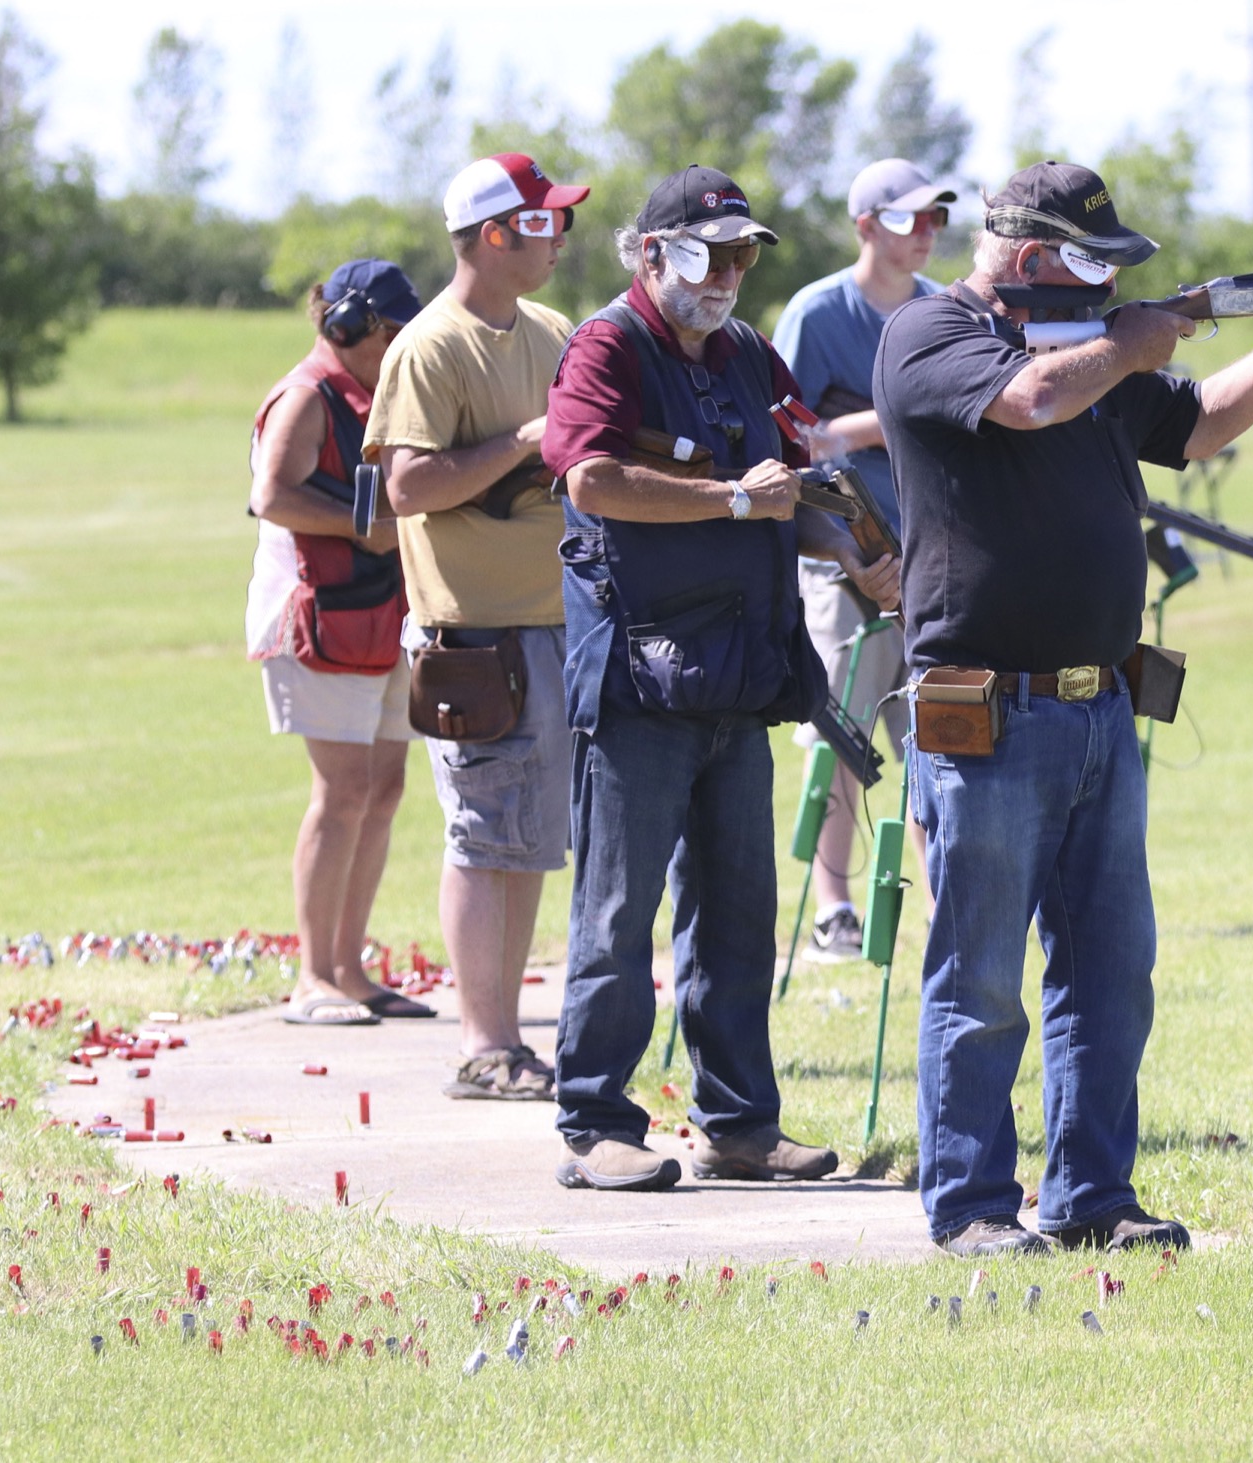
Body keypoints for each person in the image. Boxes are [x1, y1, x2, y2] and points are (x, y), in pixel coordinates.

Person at [875, 161, 1253, 1256]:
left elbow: (1200, 424)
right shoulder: (932, 337)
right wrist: (1132, 334)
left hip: (1096, 710)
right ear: (1029, 262)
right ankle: (973, 1206)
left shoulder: (1084, 351)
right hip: (988, 716)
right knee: (978, 981)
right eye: (1087, 262)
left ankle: (1089, 1194)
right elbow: (1028, 400)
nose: (1108, 284)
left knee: (1108, 974)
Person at [542, 165, 896, 1191]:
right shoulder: (606, 344)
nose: (732, 272)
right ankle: (592, 1124)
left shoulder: (745, 350)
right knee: (617, 914)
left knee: (737, 914)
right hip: (638, 683)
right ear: (652, 254)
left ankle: (738, 1125)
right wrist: (734, 503)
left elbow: (798, 476)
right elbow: (592, 479)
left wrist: (848, 547)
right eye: (712, 251)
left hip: (742, 674)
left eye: (744, 253)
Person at [362, 154, 591, 1098]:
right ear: (495, 234)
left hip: (556, 622)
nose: (560, 238)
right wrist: (526, 444)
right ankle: (484, 1044)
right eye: (545, 223)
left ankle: (506, 1038)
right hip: (475, 639)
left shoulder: (553, 330)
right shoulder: (431, 344)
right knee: (480, 835)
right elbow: (407, 486)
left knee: (530, 838)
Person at [771, 157, 953, 962]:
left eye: (935, 218)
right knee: (841, 726)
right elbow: (793, 439)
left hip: (933, 550)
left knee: (938, 728)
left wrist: (866, 425)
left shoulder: (945, 308)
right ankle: (835, 908)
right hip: (842, 550)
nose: (927, 233)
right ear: (866, 226)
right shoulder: (815, 313)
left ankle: (944, 896)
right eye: (911, 218)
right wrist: (846, 547)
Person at [247, 259, 426, 1027]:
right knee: (342, 791)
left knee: (383, 789)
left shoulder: (374, 392)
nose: (398, 346)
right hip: (316, 616)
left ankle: (350, 969)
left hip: (378, 613)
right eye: (390, 332)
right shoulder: (308, 394)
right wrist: (374, 527)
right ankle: (312, 976)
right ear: (349, 325)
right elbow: (273, 495)